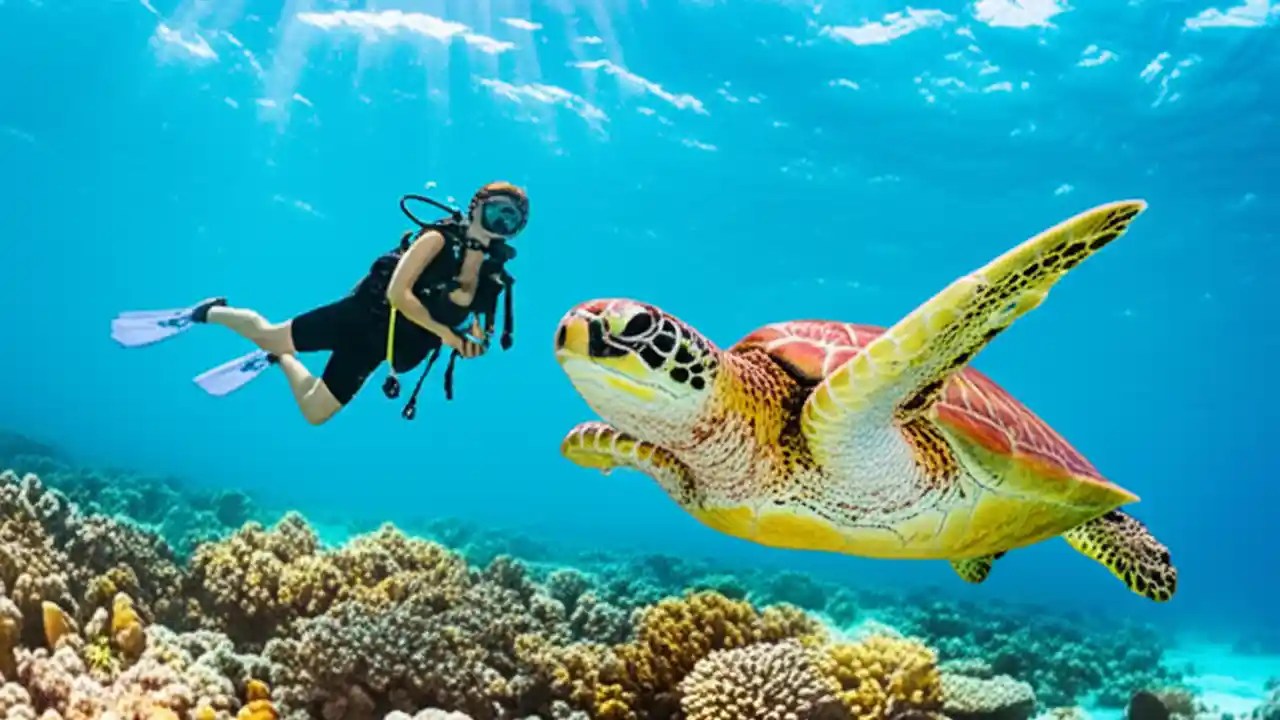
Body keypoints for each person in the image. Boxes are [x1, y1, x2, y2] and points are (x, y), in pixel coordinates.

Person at [111, 181, 529, 425]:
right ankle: (206, 311)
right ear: (476, 207)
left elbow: (474, 333)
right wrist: (445, 334)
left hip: (382, 348)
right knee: (268, 334)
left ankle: (279, 360)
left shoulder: (492, 279)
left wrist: (471, 345)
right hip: (359, 318)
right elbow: (397, 293)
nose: (502, 224)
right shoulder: (437, 238)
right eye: (498, 212)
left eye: (513, 221)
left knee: (314, 413)